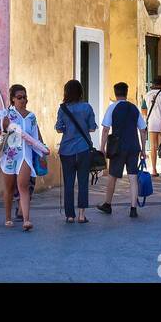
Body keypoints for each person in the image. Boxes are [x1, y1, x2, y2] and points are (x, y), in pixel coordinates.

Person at [0, 83, 46, 232]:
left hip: (25, 155)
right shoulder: (5, 115)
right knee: (9, 188)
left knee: (23, 185)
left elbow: (35, 137)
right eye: (19, 97)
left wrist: (41, 153)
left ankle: (26, 219)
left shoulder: (31, 116)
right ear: (13, 99)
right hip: (9, 155)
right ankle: (7, 217)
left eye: (25, 97)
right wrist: (3, 127)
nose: (23, 100)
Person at [96, 81, 146, 218]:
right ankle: (133, 208)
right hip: (134, 146)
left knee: (112, 176)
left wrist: (102, 148)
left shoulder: (112, 108)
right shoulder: (134, 108)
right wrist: (143, 149)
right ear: (126, 92)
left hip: (118, 147)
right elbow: (142, 130)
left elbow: (106, 129)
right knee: (133, 177)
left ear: (115, 93)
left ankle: (108, 204)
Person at [55, 79, 98, 224]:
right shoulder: (87, 108)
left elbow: (59, 128)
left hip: (66, 150)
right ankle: (81, 214)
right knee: (83, 182)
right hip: (83, 149)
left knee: (68, 183)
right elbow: (92, 128)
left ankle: (69, 215)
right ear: (80, 92)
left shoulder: (62, 109)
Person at [142, 76, 161, 176]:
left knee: (153, 147)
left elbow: (143, 110)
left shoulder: (147, 95)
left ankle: (153, 170)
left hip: (152, 123)